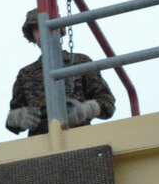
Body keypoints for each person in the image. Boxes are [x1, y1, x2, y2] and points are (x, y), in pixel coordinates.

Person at [6, 8, 115, 136]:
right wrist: (16, 118)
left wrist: (86, 109)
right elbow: (13, 121)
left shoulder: (81, 62)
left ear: (59, 29)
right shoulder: (25, 74)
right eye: (37, 29)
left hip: (81, 137)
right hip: (40, 144)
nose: (43, 32)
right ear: (33, 35)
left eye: (48, 26)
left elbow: (107, 104)